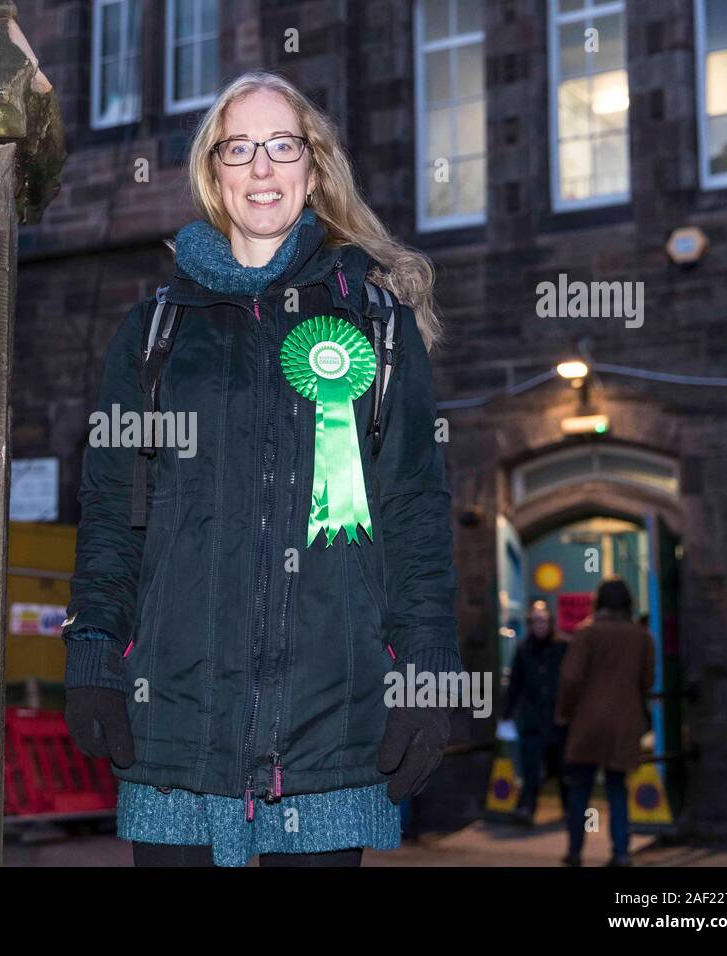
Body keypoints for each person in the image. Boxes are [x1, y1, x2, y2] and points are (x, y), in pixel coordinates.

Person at [60, 70, 461, 867]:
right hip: (177, 733)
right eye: (239, 149)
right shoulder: (155, 332)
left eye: (283, 146)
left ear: (313, 169)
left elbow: (414, 511)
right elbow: (112, 511)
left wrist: (428, 675)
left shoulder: (374, 324)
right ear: (215, 174)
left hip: (329, 739)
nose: (262, 168)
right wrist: (94, 652)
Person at [555, 577, 655, 867]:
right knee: (617, 787)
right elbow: (647, 680)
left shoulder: (586, 634)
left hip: (587, 721)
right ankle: (621, 852)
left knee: (580, 788)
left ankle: (575, 851)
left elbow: (570, 678)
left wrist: (563, 714)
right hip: (625, 721)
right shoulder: (641, 636)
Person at [501, 599, 569, 824]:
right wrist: (507, 713)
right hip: (534, 717)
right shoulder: (523, 649)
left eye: (544, 621)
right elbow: (516, 683)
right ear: (530, 624)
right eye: (536, 621)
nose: (540, 625)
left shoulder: (563, 646)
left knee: (562, 768)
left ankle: (569, 810)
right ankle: (527, 808)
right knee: (531, 768)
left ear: (551, 622)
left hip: (558, 717)